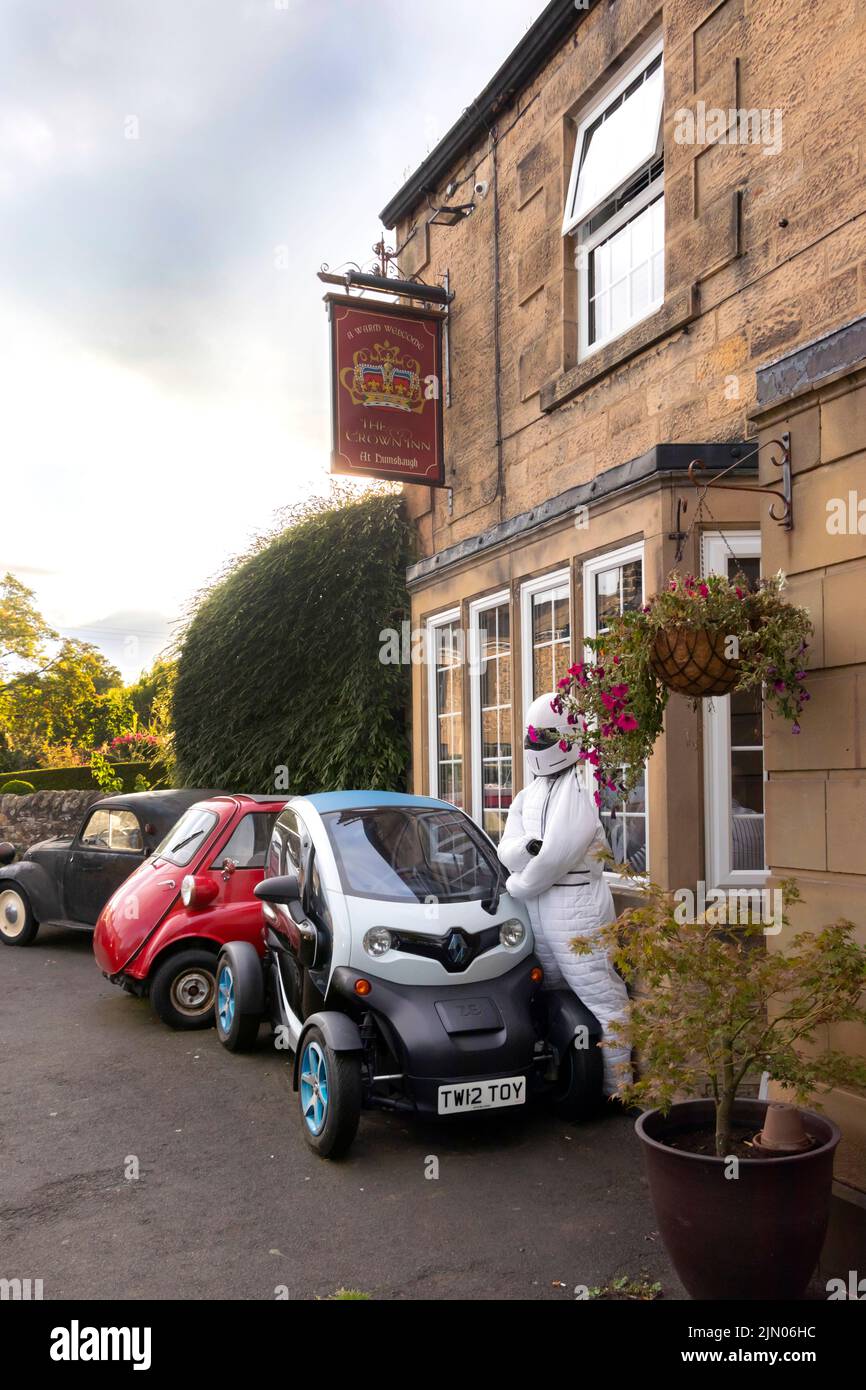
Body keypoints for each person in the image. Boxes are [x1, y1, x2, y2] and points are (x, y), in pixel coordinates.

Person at [498, 691, 631, 1098]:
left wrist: (518, 882)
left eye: (543, 737)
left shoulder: (581, 785)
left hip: (574, 904)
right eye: (532, 737)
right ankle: (561, 1080)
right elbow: (507, 847)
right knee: (548, 991)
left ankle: (618, 1088)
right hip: (540, 908)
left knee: (600, 995)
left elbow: (557, 853)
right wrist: (525, 854)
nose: (536, 746)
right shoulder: (530, 792)